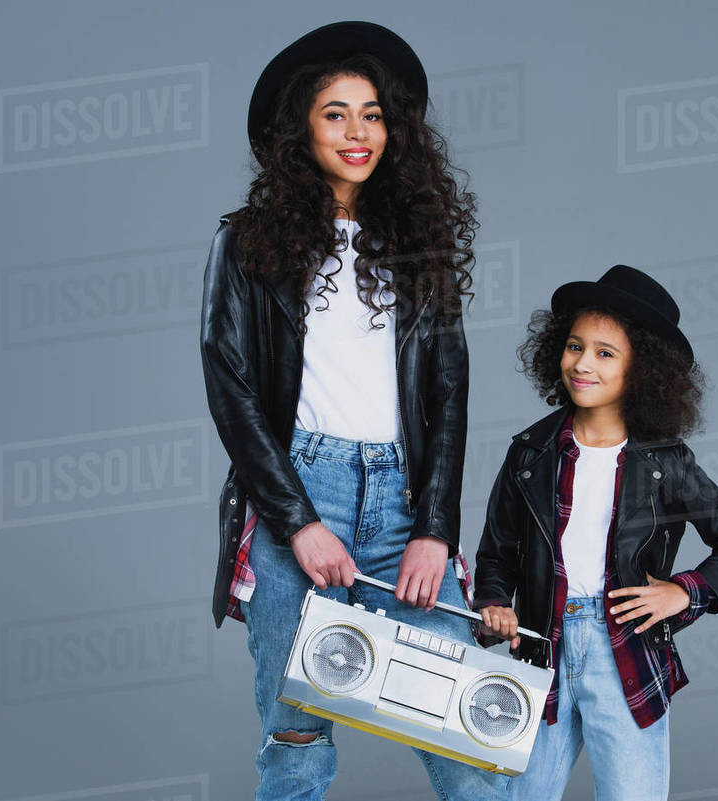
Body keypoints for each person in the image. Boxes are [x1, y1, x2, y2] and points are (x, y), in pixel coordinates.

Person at [200, 20, 507, 801]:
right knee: (296, 737)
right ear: (300, 127)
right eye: (335, 112)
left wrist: (436, 527)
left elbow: (448, 388)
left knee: (471, 730)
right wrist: (297, 520)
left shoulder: (417, 244)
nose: (357, 131)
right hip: (298, 493)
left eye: (372, 113)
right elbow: (229, 381)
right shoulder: (246, 245)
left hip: (402, 502)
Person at [473, 265, 718, 801]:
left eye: (606, 353)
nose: (583, 363)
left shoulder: (666, 462)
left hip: (626, 651)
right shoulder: (530, 455)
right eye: (575, 347)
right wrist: (494, 602)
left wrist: (684, 592)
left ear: (644, 372)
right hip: (543, 650)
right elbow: (497, 554)